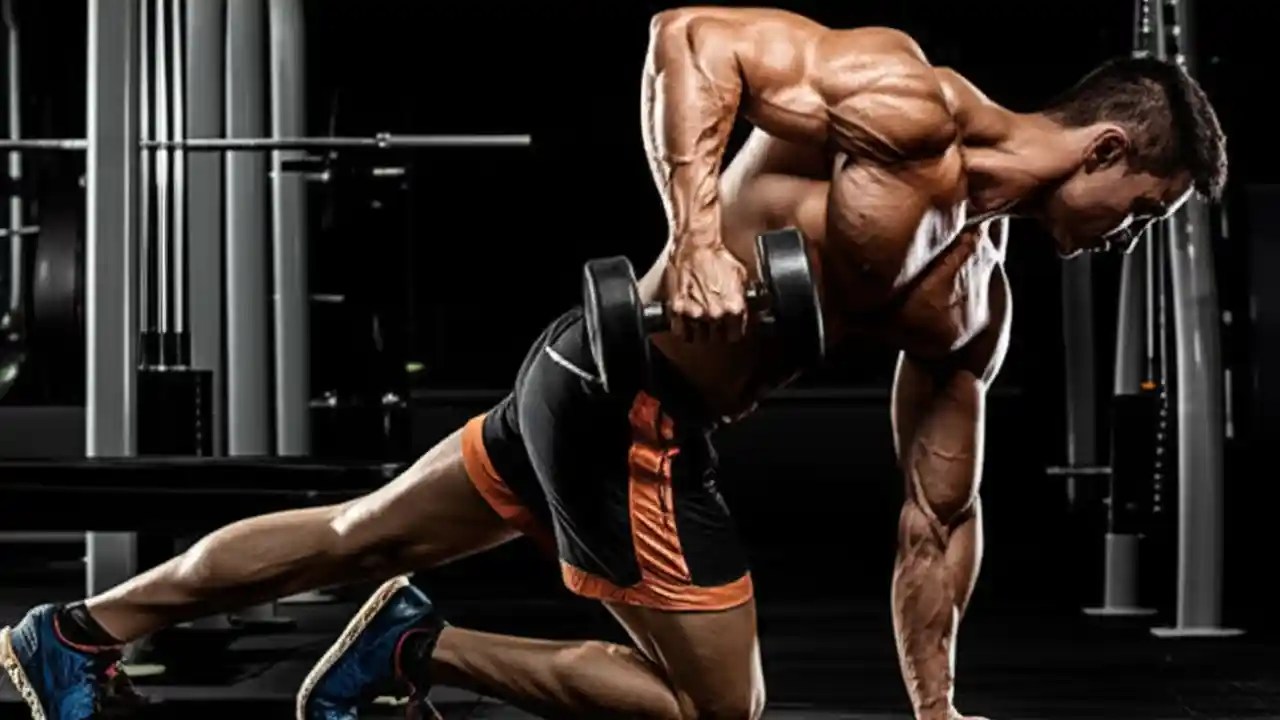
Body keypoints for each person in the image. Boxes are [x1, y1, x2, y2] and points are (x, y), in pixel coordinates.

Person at [1, 6, 1226, 720]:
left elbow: (933, 516)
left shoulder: (974, 296)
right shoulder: (907, 105)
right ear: (1105, 145)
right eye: (1136, 208)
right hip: (627, 402)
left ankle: (78, 631)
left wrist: (935, 709)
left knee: (355, 533)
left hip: (591, 389)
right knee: (716, 714)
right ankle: (417, 650)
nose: (1117, 235)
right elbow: (688, 39)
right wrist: (694, 234)